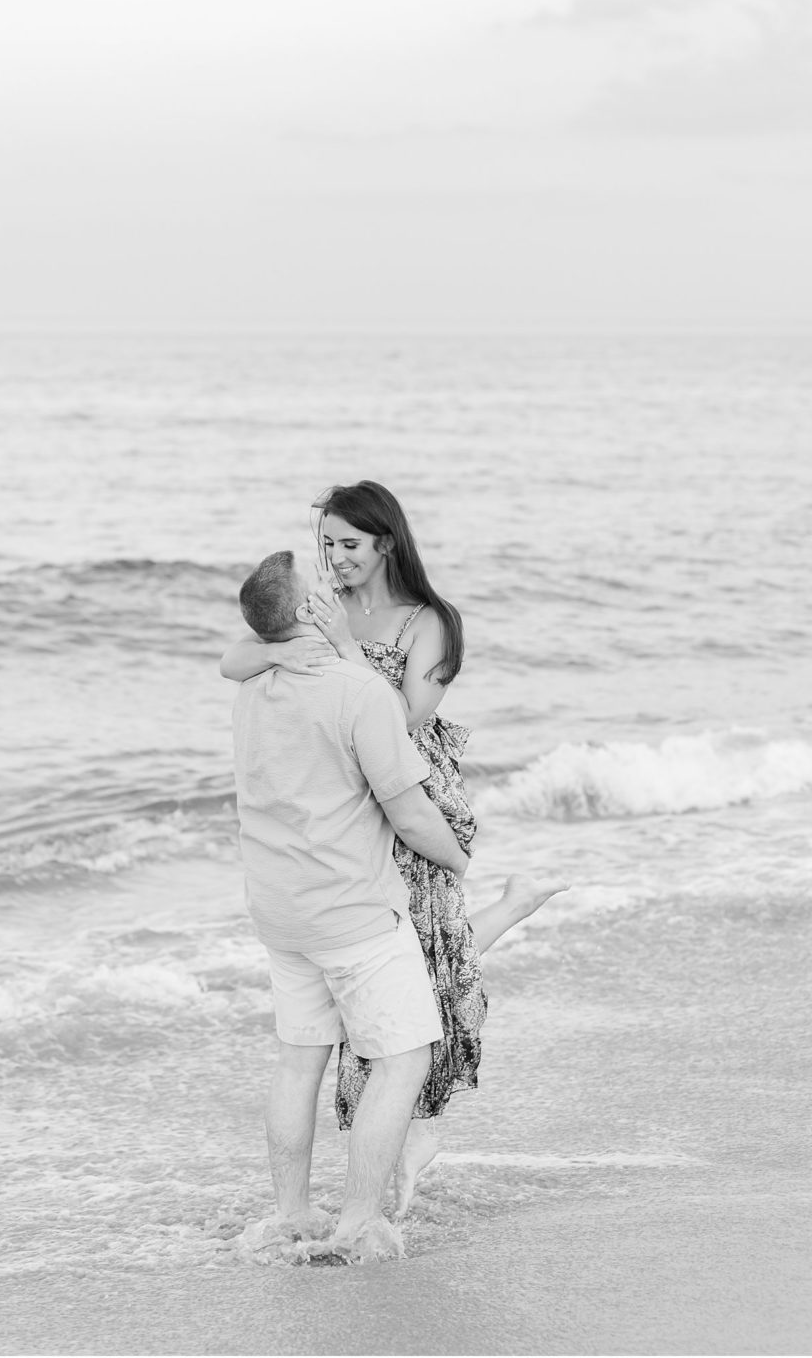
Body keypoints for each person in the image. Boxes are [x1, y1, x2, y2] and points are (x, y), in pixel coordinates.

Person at [222, 481, 567, 1217]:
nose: (335, 558)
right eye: (325, 545)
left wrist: (338, 651)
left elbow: (405, 716)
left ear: (386, 542)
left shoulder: (428, 620)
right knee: (387, 985)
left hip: (404, 790)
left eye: (349, 544)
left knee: (426, 960)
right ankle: (404, 1143)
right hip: (351, 794)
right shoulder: (321, 606)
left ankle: (411, 1134)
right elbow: (237, 662)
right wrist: (287, 647)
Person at [230, 548, 474, 1263]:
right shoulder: (357, 691)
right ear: (307, 611)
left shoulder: (254, 683)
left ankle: (292, 1214)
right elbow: (409, 810)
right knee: (404, 1058)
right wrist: (460, 859)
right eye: (317, 587)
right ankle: (357, 1223)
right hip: (351, 912)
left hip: (278, 908)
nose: (330, 585)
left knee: (298, 1060)